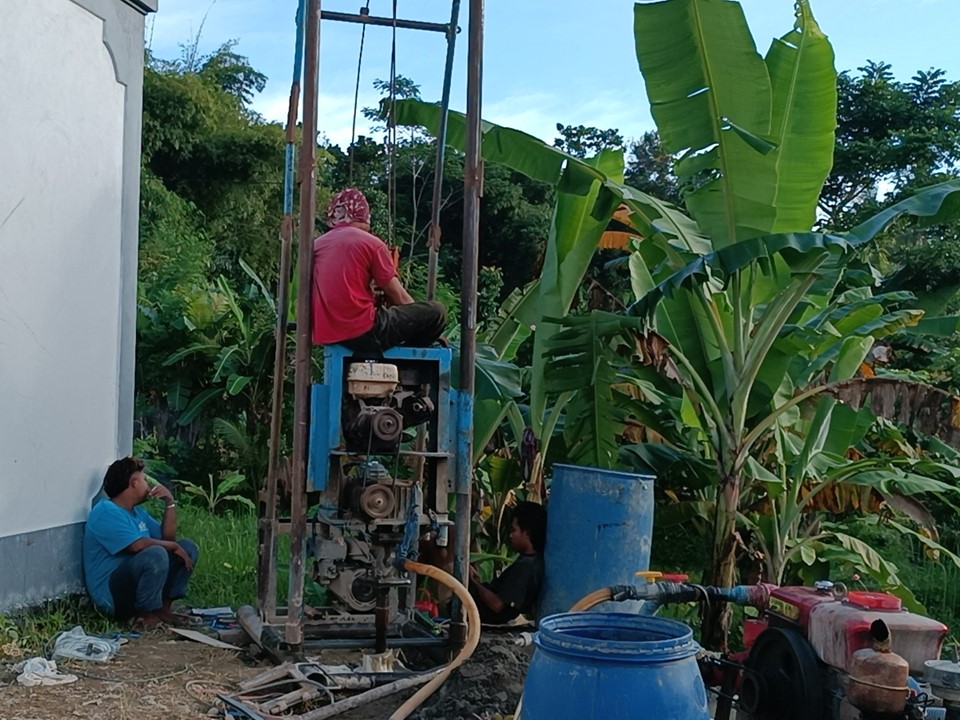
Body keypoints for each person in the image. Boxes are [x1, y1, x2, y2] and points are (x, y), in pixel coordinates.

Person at [312, 188, 447, 353]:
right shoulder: (371, 243)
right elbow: (398, 295)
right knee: (436, 312)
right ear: (365, 214)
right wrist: (423, 327)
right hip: (362, 332)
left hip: (326, 332)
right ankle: (407, 361)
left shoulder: (316, 245)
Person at [82, 457, 199, 628]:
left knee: (187, 547)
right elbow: (138, 545)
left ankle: (162, 609)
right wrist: (173, 546)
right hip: (112, 595)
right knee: (156, 553)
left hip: (134, 586)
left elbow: (167, 539)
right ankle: (145, 615)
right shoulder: (106, 511)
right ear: (135, 482)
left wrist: (170, 503)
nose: (148, 485)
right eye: (144, 479)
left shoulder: (137, 513)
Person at [468, 501, 547, 625]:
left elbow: (497, 605)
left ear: (527, 533)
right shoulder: (530, 561)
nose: (510, 535)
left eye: (513, 530)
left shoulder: (525, 567)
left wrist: (474, 583)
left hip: (477, 610)